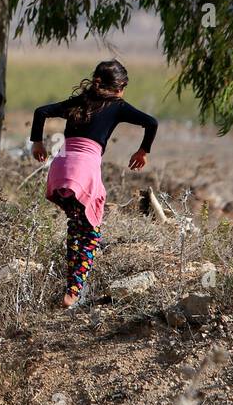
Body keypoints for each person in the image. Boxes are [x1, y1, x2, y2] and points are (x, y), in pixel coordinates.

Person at [31, 60, 158, 308]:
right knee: (91, 234)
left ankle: (71, 287)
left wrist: (37, 143)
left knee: (76, 224)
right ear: (120, 86)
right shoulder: (117, 105)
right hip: (83, 170)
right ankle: (74, 291)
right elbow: (151, 122)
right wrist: (143, 151)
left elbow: (40, 112)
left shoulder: (79, 101)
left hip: (60, 168)